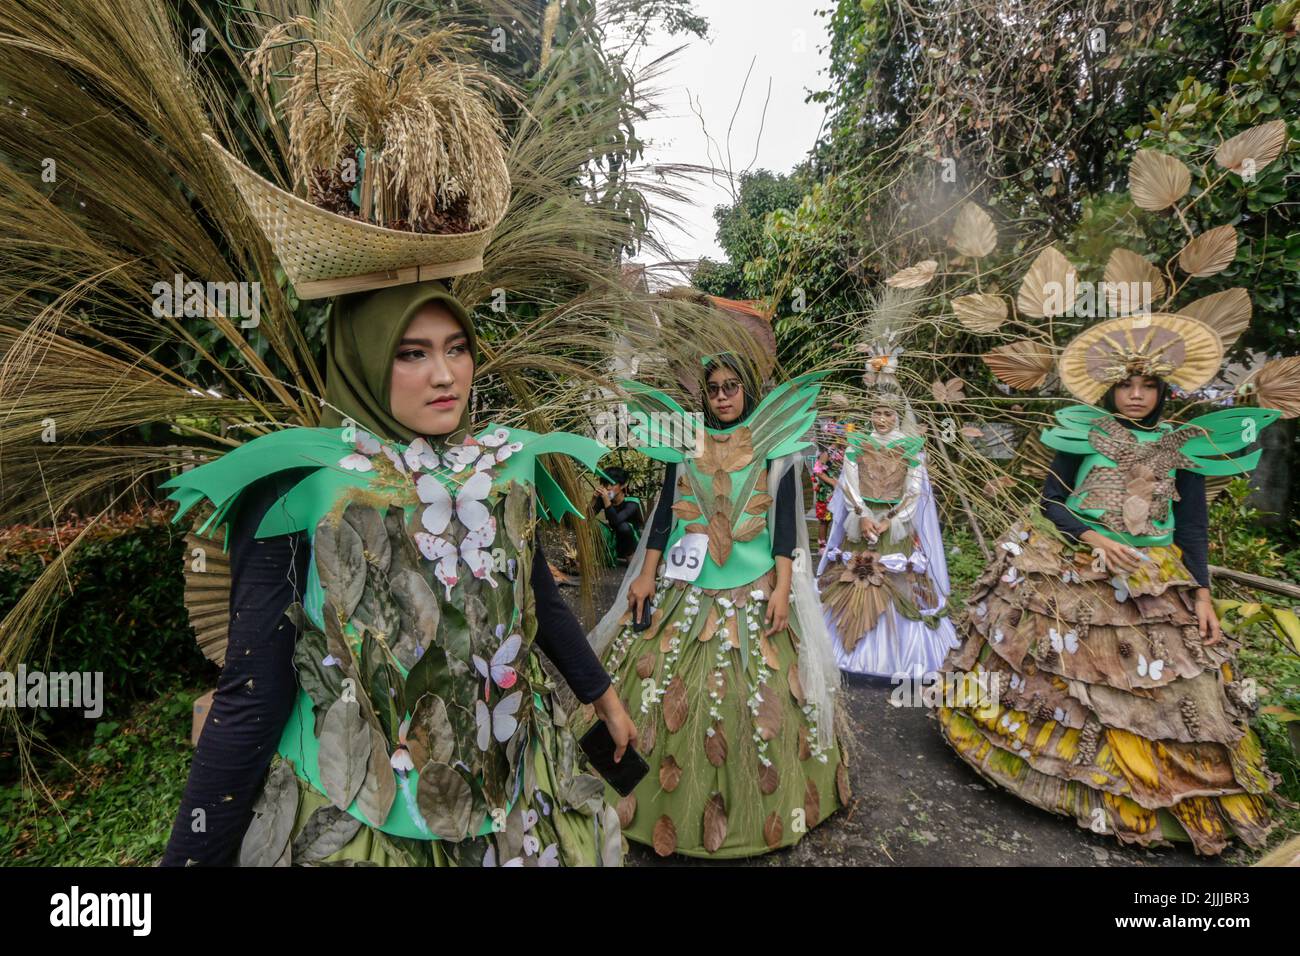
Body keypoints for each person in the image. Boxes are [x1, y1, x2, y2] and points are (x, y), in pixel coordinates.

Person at [159, 281, 637, 866]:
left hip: (511, 793)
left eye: (457, 348)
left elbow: (536, 600)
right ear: (362, 360)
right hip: (360, 816)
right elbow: (252, 694)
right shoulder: (297, 486)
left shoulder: (504, 469)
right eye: (412, 353)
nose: (445, 375)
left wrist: (603, 698)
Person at [939, 311, 1283, 855]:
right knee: (1067, 678)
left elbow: (1193, 527)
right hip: (1078, 567)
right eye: (1126, 385)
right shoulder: (1082, 434)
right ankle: (1067, 779)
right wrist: (1096, 539)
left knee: (1169, 687)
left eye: (1147, 385)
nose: (1136, 395)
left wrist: (1202, 595)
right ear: (1110, 390)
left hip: (1155, 580)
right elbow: (1052, 503)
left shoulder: (1187, 446)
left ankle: (1160, 797)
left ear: (1163, 392)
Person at [587, 352, 849, 857]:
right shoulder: (684, 441)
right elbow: (664, 516)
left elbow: (785, 525)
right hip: (687, 587)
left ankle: (755, 814)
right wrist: (645, 574)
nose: (723, 396)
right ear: (704, 396)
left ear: (747, 389)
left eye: (732, 386)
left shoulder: (773, 443)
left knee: (759, 697)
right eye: (714, 388)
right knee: (657, 690)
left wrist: (782, 587)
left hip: (755, 586)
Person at [816, 393, 959, 678]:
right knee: (852, 577)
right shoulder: (857, 443)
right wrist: (862, 515)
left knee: (894, 580)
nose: (881, 419)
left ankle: (892, 655)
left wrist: (890, 521)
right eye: (877, 413)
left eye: (888, 414)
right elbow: (849, 486)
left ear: (898, 416)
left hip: (894, 526)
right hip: (861, 521)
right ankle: (847, 649)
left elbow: (914, 491)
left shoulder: (910, 447)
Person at [590, 466, 644, 563]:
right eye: (605, 484)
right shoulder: (604, 499)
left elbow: (616, 521)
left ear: (623, 485)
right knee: (592, 524)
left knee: (623, 527)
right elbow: (587, 518)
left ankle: (630, 557)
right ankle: (597, 556)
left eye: (612, 484)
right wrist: (593, 499)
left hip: (633, 543)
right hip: (615, 540)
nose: (608, 488)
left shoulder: (632, 502)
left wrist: (607, 501)